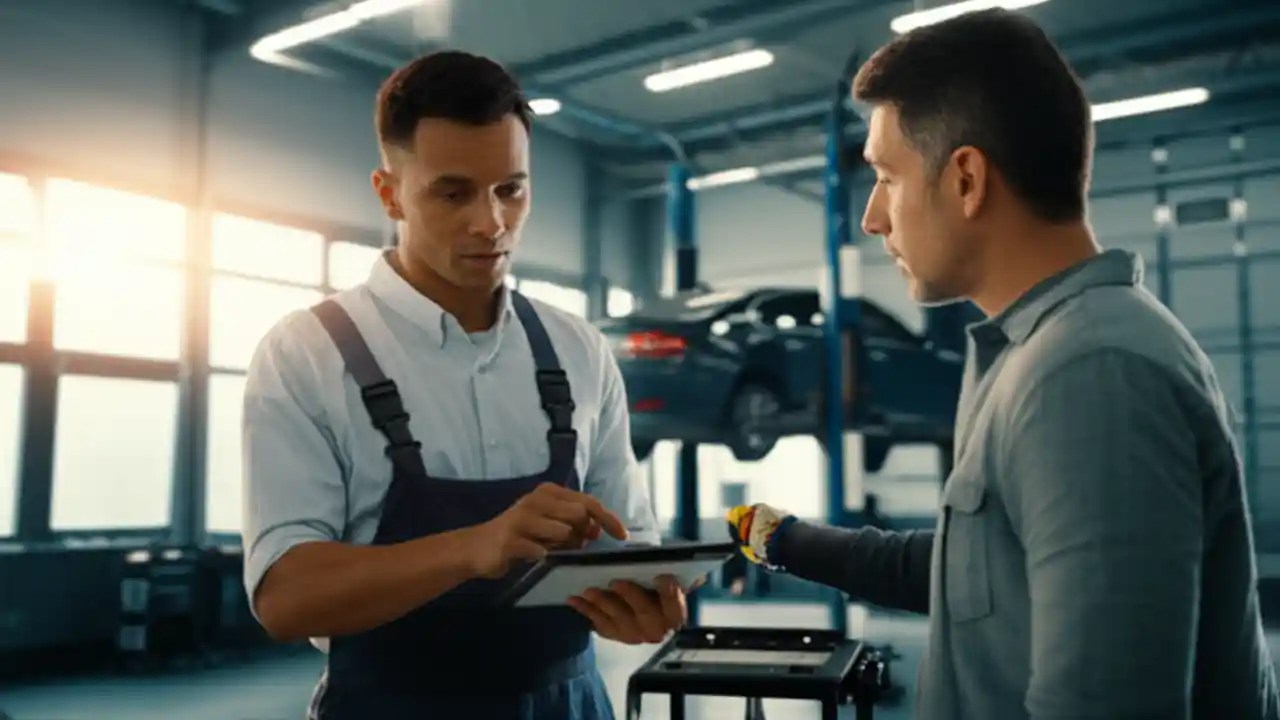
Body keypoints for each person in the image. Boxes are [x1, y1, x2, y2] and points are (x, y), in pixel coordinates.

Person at [727, 9, 1280, 720]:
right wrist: (791, 542)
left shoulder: (1089, 373)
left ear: (965, 180)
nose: (872, 218)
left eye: (886, 178)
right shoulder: (1044, 350)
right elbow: (983, 568)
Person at [240, 50, 687, 720]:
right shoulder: (304, 354)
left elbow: (631, 546)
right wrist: (474, 547)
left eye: (511, 188)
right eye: (453, 193)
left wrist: (644, 605)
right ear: (389, 192)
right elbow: (283, 596)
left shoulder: (578, 350)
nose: (491, 222)